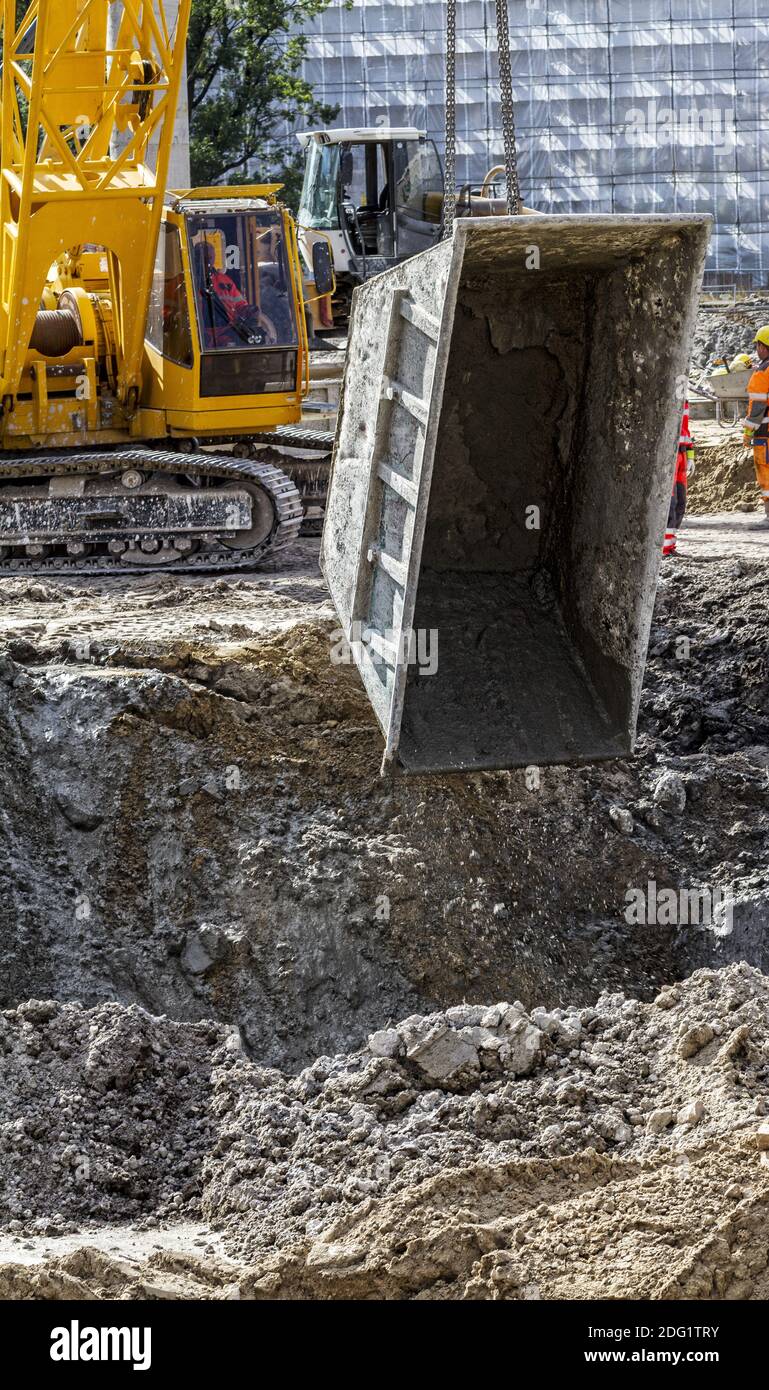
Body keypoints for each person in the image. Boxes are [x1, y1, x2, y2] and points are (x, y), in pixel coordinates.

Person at [194, 242, 276, 349]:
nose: (207, 261)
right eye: (203, 258)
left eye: (210, 257)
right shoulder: (186, 282)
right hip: (198, 335)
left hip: (225, 334)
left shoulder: (225, 281)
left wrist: (249, 310)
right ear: (194, 257)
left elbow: (240, 305)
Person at [741, 326, 769, 525]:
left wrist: (747, 432)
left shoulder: (762, 372)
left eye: (758, 345)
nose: (757, 350)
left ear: (763, 346)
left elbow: (757, 407)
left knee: (765, 469)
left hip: (765, 432)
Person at [663, 400, 694, 556]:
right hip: (669, 455)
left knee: (680, 503)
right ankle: (663, 548)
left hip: (681, 455)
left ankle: (670, 545)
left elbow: (685, 429)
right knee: (670, 502)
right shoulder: (668, 392)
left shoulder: (684, 400)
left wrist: (690, 456)